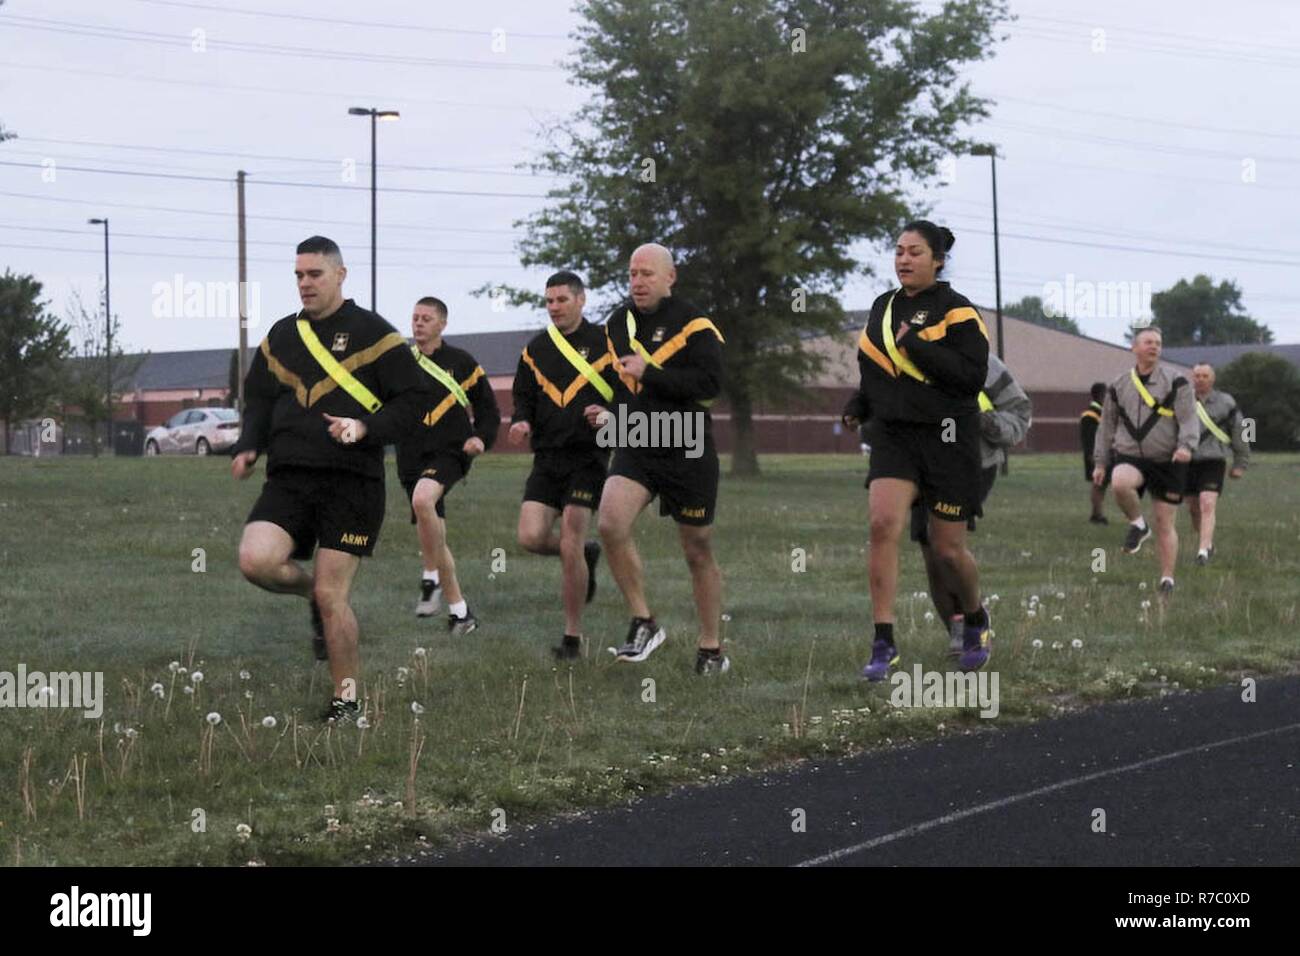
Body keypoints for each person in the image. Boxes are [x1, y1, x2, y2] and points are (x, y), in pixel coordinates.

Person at [231, 236, 427, 723]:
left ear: (340, 275)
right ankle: (310, 597)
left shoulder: (376, 335)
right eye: (298, 275)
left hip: (352, 481)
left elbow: (413, 403)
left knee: (333, 593)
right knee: (255, 561)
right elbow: (256, 397)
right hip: (289, 478)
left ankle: (346, 701)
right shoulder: (281, 336)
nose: (304, 283)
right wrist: (248, 444)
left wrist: (365, 428)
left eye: (314, 274)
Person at [841, 220, 991, 681]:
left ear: (938, 260)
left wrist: (916, 344)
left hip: (947, 435)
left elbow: (970, 379)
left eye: (916, 252)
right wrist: (859, 404)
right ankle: (883, 640)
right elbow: (875, 369)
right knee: (882, 524)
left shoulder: (958, 311)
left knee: (947, 550)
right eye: (899, 251)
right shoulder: (882, 308)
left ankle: (975, 618)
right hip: (894, 435)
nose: (904, 259)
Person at [597, 243, 729, 675]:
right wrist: (610, 416)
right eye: (633, 273)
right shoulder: (618, 323)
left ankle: (711, 649)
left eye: (647, 274)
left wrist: (651, 373)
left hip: (687, 441)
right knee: (611, 523)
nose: (637, 281)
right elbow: (620, 384)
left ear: (670, 277)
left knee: (696, 548)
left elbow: (710, 384)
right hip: (638, 437)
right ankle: (643, 621)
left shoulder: (694, 323)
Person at [508, 271, 620, 659]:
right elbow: (522, 396)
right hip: (547, 458)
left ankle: (571, 639)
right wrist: (521, 421)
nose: (554, 307)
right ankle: (586, 554)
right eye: (550, 301)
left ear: (581, 300)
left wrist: (609, 415)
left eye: (562, 300)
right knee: (530, 538)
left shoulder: (606, 343)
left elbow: (628, 394)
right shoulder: (535, 349)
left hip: (587, 458)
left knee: (571, 533)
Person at [909, 352, 1031, 655]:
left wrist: (980, 421)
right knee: (931, 555)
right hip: (919, 464)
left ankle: (975, 619)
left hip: (973, 462)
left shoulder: (984, 363)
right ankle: (958, 630)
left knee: (946, 549)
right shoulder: (904, 356)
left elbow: (1020, 413)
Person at [396, 296, 501, 635]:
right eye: (415, 317)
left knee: (423, 500)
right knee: (434, 533)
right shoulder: (400, 363)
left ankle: (430, 580)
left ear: (442, 323)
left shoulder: (461, 361)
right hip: (410, 458)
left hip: (450, 454)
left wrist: (480, 438)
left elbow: (488, 409)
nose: (419, 323)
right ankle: (461, 613)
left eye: (426, 318)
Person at [1092, 326, 1198, 594]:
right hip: (1131, 456)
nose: (1154, 347)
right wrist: (1101, 462)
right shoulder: (1118, 386)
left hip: (1167, 459)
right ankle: (1139, 524)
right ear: (1134, 347)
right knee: (1119, 482)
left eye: (1158, 343)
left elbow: (1188, 420)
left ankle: (1167, 579)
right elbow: (1106, 426)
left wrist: (1186, 446)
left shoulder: (1177, 382)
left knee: (1165, 523)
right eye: (1149, 342)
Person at [1186, 362, 1250, 564]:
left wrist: (1240, 462)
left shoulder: (1226, 402)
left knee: (1207, 503)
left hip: (1213, 460)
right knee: (1194, 508)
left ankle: (1202, 552)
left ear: (1212, 379)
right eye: (1197, 375)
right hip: (1186, 460)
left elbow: (1240, 431)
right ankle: (1208, 543)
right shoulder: (1182, 400)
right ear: (1192, 377)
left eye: (1205, 376)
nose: (1200, 379)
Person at [1080, 382, 1110, 524]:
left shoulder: (1102, 413)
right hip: (1095, 456)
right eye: (1106, 394)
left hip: (1103, 454)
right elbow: (1089, 438)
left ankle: (1098, 512)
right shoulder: (1090, 415)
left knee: (1101, 485)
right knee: (1098, 485)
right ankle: (1096, 515)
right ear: (1100, 395)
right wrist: (1093, 456)